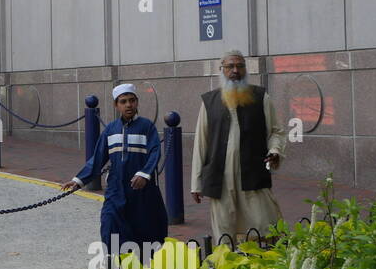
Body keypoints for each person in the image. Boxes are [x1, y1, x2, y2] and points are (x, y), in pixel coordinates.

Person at [190, 50, 285, 244]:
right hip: (220, 178)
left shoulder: (260, 97)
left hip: (252, 173)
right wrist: (196, 182)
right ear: (222, 70)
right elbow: (201, 142)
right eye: (230, 66)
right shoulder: (209, 101)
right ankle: (227, 268)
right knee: (224, 234)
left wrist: (275, 151)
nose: (235, 71)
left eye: (240, 66)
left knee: (264, 227)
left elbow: (277, 131)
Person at [62, 84, 168, 254]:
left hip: (142, 193)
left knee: (146, 236)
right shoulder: (110, 130)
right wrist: (78, 180)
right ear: (116, 105)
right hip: (116, 191)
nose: (128, 105)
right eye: (123, 101)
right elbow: (97, 159)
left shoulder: (147, 127)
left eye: (132, 100)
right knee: (110, 228)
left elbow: (155, 152)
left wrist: (144, 174)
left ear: (137, 102)